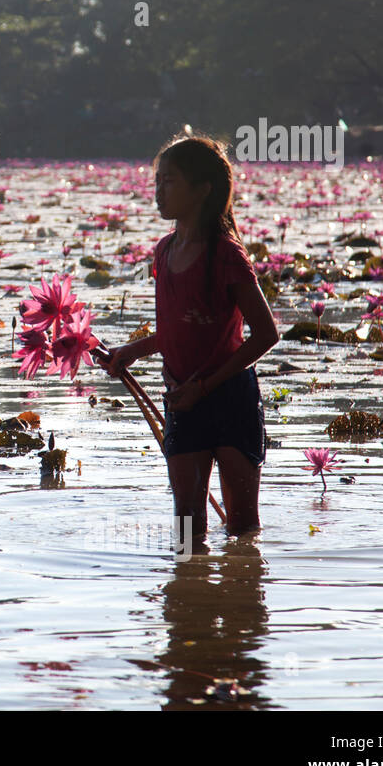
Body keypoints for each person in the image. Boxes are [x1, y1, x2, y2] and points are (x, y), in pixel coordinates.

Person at [97, 133, 278, 543]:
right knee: (187, 529)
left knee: (242, 528)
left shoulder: (227, 255)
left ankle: (241, 596)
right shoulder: (163, 252)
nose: (158, 192)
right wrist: (131, 352)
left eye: (170, 182)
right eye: (157, 181)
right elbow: (179, 328)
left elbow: (267, 334)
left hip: (230, 398)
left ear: (202, 190)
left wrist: (206, 386)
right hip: (182, 399)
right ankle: (187, 601)